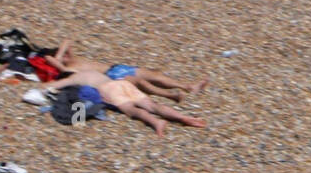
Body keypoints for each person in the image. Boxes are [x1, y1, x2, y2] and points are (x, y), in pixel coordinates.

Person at [42, 69, 206, 137]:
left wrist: (46, 87)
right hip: (122, 83)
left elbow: (52, 87)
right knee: (152, 105)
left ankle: (156, 122)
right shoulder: (90, 72)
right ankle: (182, 117)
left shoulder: (74, 78)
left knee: (133, 110)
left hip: (109, 89)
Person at [50, 40, 208, 102]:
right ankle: (172, 95)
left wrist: (59, 53)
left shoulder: (73, 58)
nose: (65, 56)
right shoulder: (68, 69)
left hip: (116, 68)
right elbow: (55, 62)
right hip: (109, 77)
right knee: (142, 83)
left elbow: (66, 41)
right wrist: (56, 59)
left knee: (155, 75)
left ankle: (187, 87)